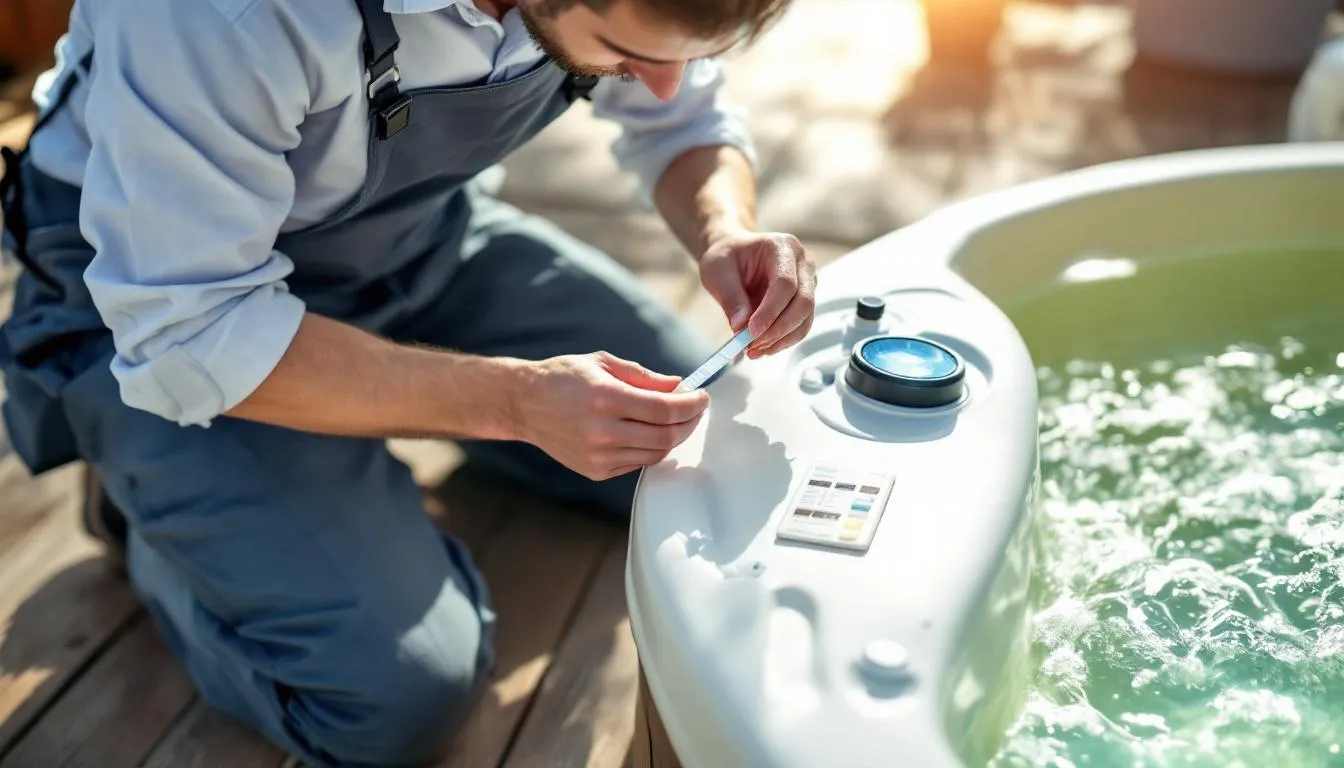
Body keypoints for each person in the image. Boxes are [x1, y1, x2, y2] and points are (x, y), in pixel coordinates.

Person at [0, 0, 816, 764]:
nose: (664, 81)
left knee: (704, 443)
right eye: (625, 53)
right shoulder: (218, 17)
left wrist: (725, 228)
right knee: (396, 701)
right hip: (168, 309)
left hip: (414, 243)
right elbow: (194, 327)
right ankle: (146, 519)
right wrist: (515, 401)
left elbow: (684, 118)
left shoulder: (632, 16)